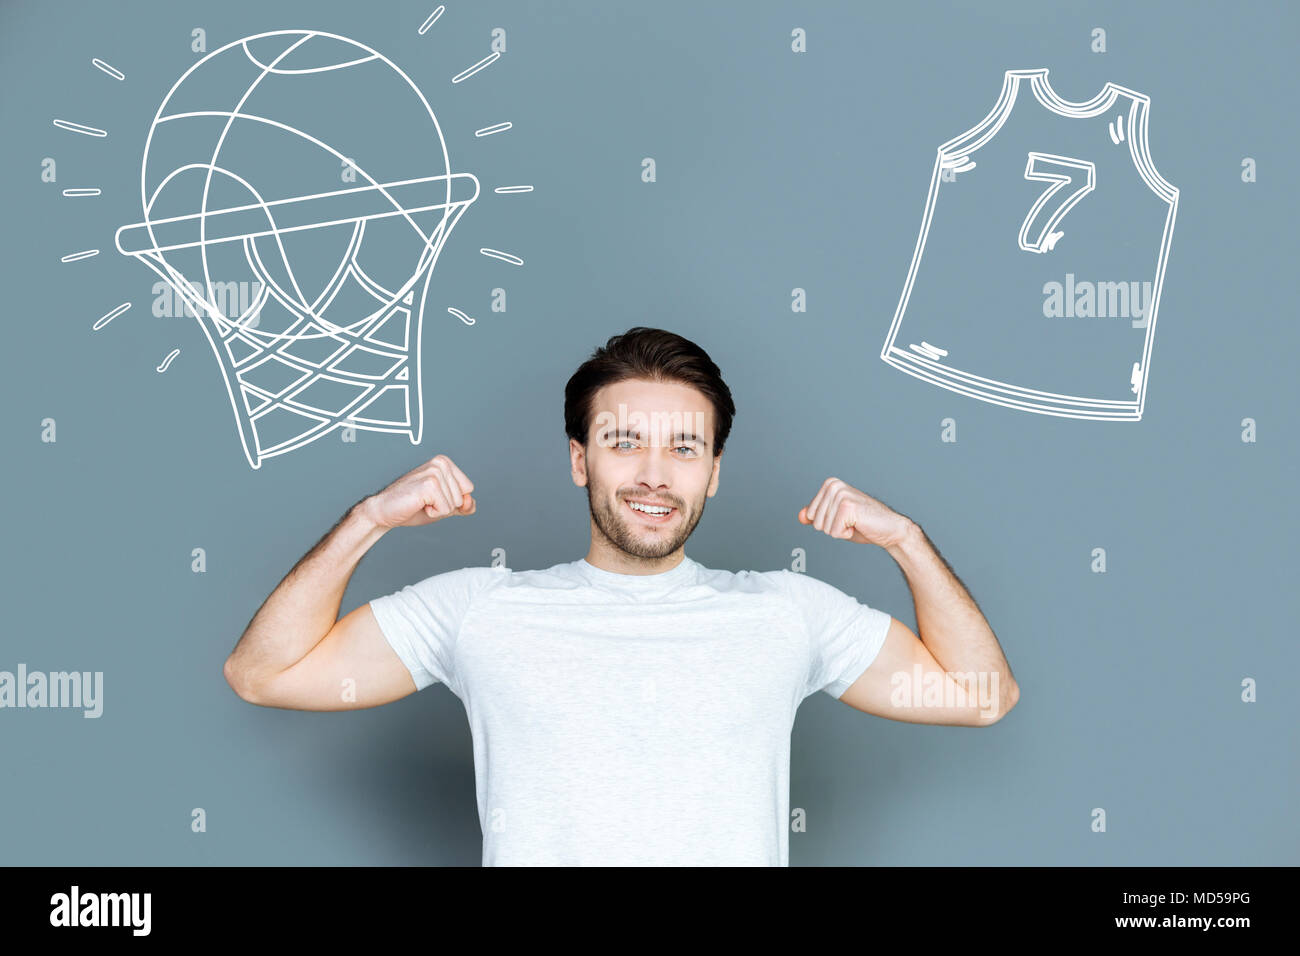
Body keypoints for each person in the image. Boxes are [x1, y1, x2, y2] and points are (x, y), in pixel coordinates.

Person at [223, 326, 1020, 865]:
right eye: (623, 442)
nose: (652, 474)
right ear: (580, 460)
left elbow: (980, 694)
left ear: (714, 472)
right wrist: (369, 521)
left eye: (683, 447)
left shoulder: (787, 613)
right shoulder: (479, 611)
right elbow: (263, 673)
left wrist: (905, 542)